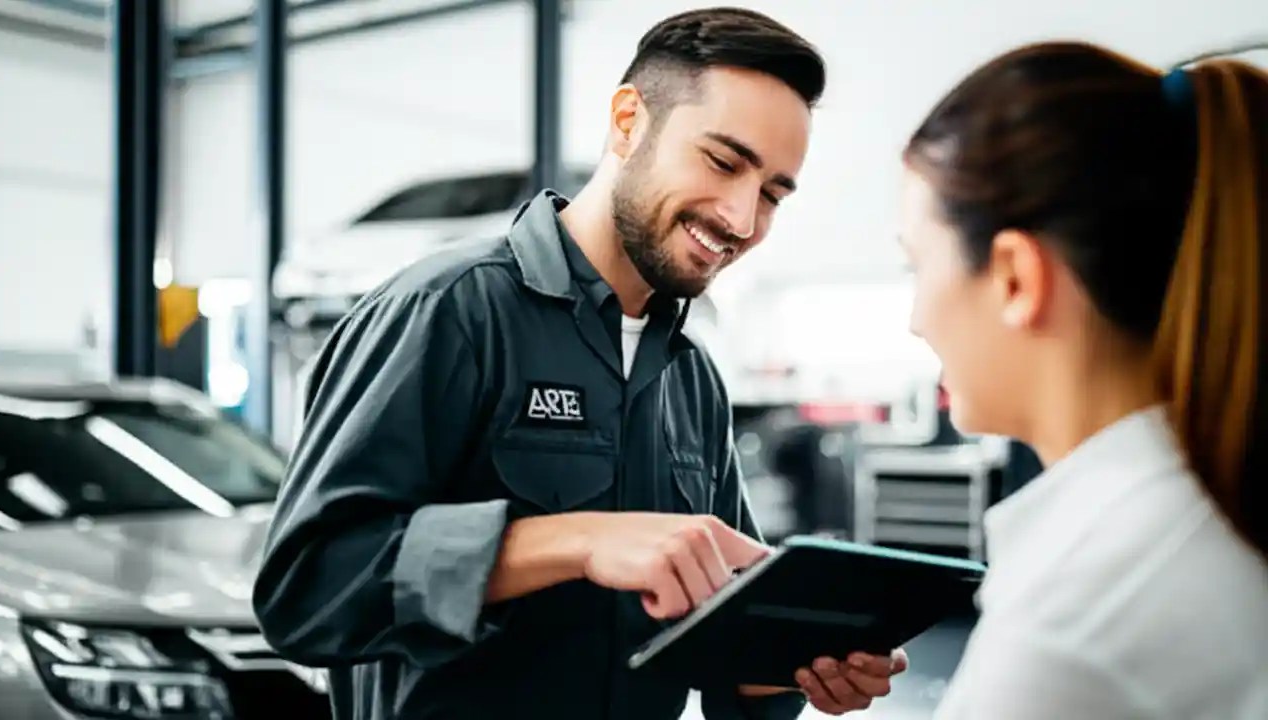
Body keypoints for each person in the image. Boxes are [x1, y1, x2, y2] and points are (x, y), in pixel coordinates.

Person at [253, 8, 906, 720]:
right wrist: (577, 540)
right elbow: (307, 592)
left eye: (772, 194)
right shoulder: (449, 312)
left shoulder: (692, 380)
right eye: (722, 162)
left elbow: (720, 642)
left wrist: (798, 665)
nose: (742, 219)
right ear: (628, 122)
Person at [896, 41, 1268, 718]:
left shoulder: (1073, 624)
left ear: (1015, 276)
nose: (916, 320)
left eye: (917, 266)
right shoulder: (1206, 506)